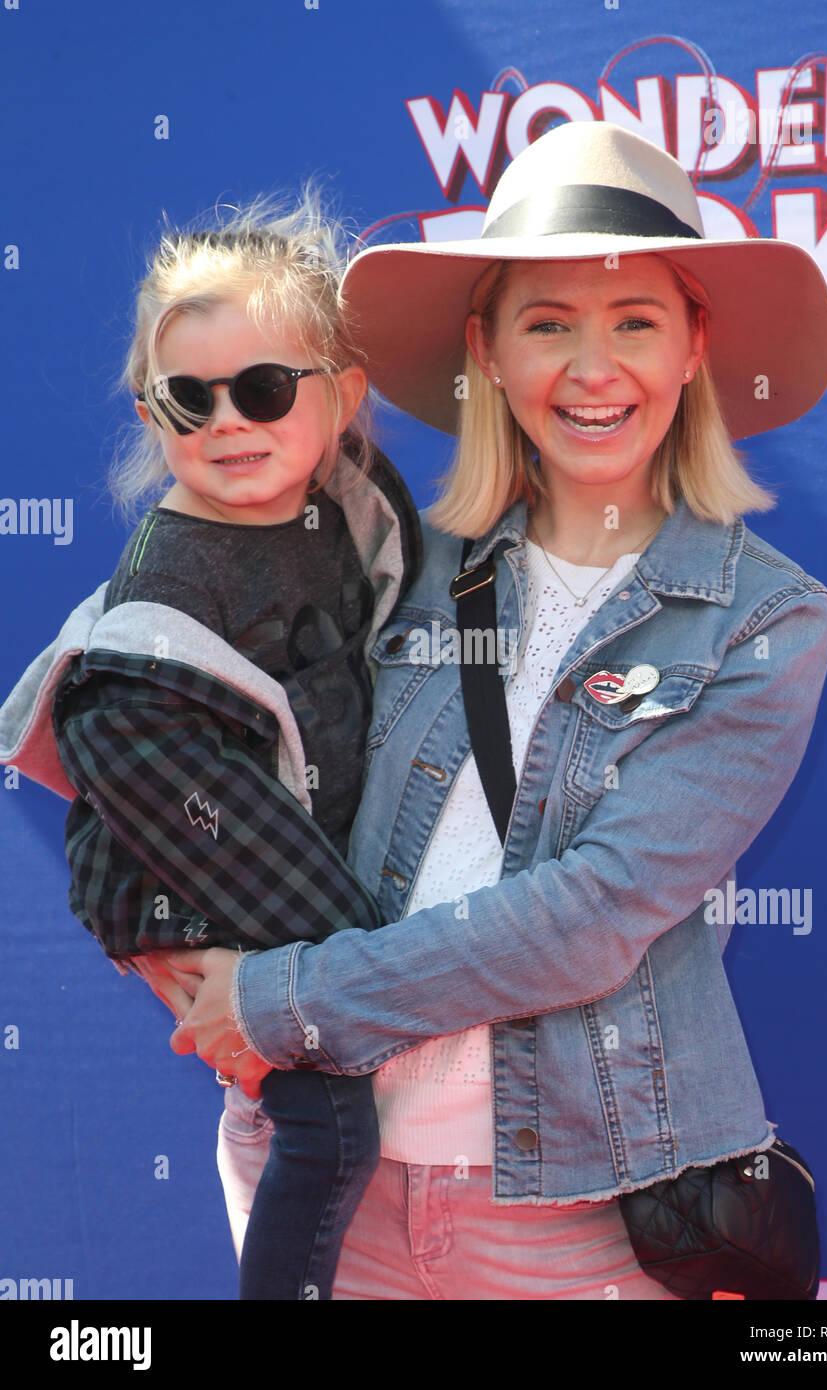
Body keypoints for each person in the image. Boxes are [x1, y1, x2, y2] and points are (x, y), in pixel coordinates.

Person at [7, 120, 827, 1301]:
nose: (590, 369)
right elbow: (138, 663)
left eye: (634, 322)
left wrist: (276, 1000)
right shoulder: (391, 545)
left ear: (695, 346)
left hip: (574, 1211)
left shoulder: (761, 620)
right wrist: (153, 925)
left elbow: (593, 915)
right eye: (546, 323)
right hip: (323, 1181)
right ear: (487, 352)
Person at [0, 192, 420, 1301]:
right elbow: (194, 808)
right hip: (202, 891)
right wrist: (364, 959)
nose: (230, 421)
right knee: (328, 1133)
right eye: (191, 398)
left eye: (266, 388)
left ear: (343, 399)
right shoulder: (173, 588)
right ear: (151, 415)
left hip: (285, 877)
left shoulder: (349, 502)